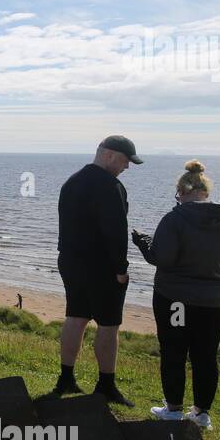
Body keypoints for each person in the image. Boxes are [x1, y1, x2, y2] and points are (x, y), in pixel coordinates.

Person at [133, 160, 220, 430]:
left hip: (175, 298)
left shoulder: (175, 219)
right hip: (213, 301)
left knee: (174, 351)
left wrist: (144, 245)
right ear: (206, 192)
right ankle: (202, 413)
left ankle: (173, 410)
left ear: (181, 192)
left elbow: (163, 258)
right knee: (205, 356)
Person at [52, 135, 142, 405]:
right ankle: (106, 385)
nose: (126, 167)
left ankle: (66, 378)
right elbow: (116, 231)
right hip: (101, 265)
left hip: (70, 260)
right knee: (109, 325)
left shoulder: (72, 182)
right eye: (125, 161)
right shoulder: (110, 186)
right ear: (109, 155)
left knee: (76, 317)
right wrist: (121, 269)